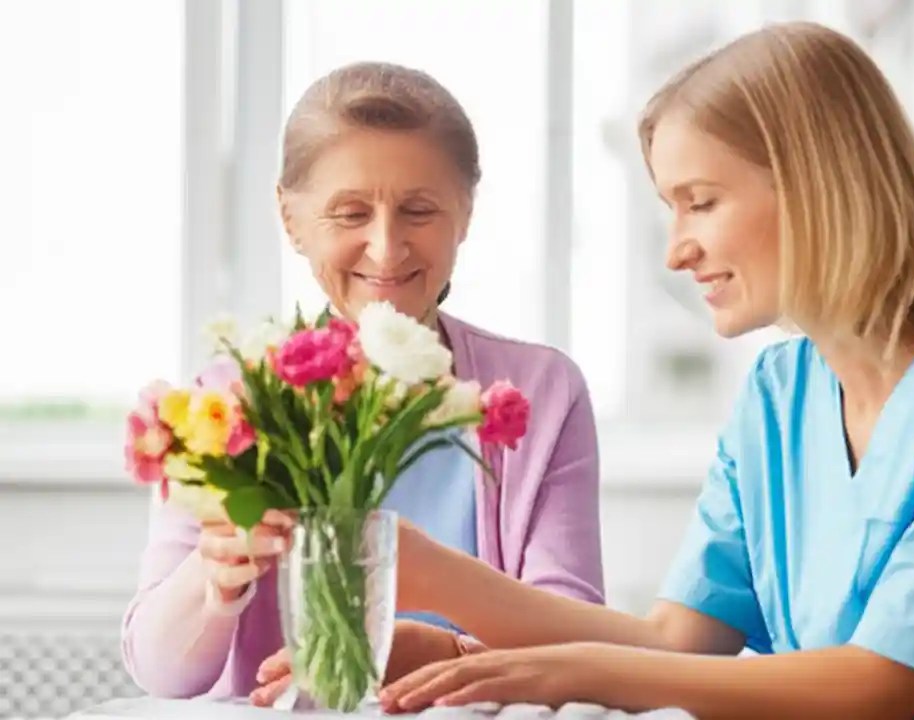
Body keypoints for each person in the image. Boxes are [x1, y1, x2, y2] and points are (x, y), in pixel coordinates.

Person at [354, 22, 914, 719]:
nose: (677, 250)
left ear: (818, 184)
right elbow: (676, 640)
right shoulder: (782, 392)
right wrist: (449, 608)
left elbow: (881, 684)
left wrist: (561, 671)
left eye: (700, 201)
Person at [120, 61, 606, 702]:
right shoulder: (229, 401)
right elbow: (161, 673)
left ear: (466, 213)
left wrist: (447, 656)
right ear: (290, 217)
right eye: (350, 214)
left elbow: (579, 642)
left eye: (420, 210)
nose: (386, 248)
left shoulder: (539, 393)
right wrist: (212, 582)